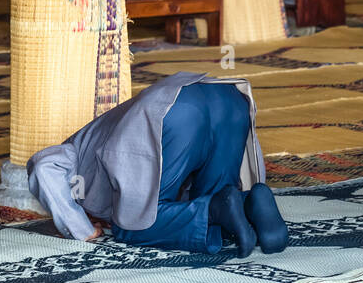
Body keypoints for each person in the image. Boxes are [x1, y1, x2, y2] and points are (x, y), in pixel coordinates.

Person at [27, 71, 289, 258]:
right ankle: (250, 203)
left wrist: (79, 229)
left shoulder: (75, 149)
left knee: (132, 227)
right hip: (229, 98)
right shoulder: (104, 145)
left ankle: (216, 209)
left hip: (174, 111)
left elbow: (42, 165)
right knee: (220, 199)